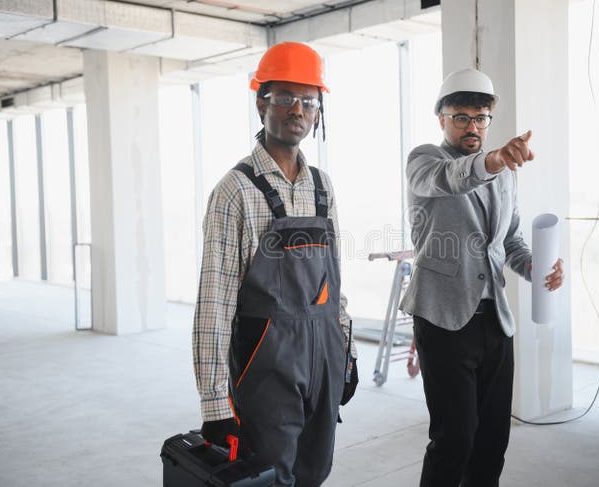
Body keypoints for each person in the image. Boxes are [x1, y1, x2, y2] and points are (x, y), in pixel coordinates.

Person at [192, 42, 358, 487]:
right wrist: (214, 403)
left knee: (314, 471)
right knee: (270, 477)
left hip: (323, 354)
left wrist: (347, 353)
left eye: (309, 100)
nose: (298, 109)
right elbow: (215, 300)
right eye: (285, 97)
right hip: (267, 363)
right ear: (261, 102)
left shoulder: (322, 186)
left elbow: (332, 281)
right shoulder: (236, 191)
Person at [399, 68, 564, 487]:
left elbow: (509, 240)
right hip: (443, 316)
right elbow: (453, 179)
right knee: (454, 438)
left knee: (493, 438)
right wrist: (493, 160)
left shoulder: (506, 173)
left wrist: (537, 267)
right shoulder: (425, 160)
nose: (473, 127)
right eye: (461, 117)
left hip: (495, 320)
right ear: (441, 118)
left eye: (481, 118)